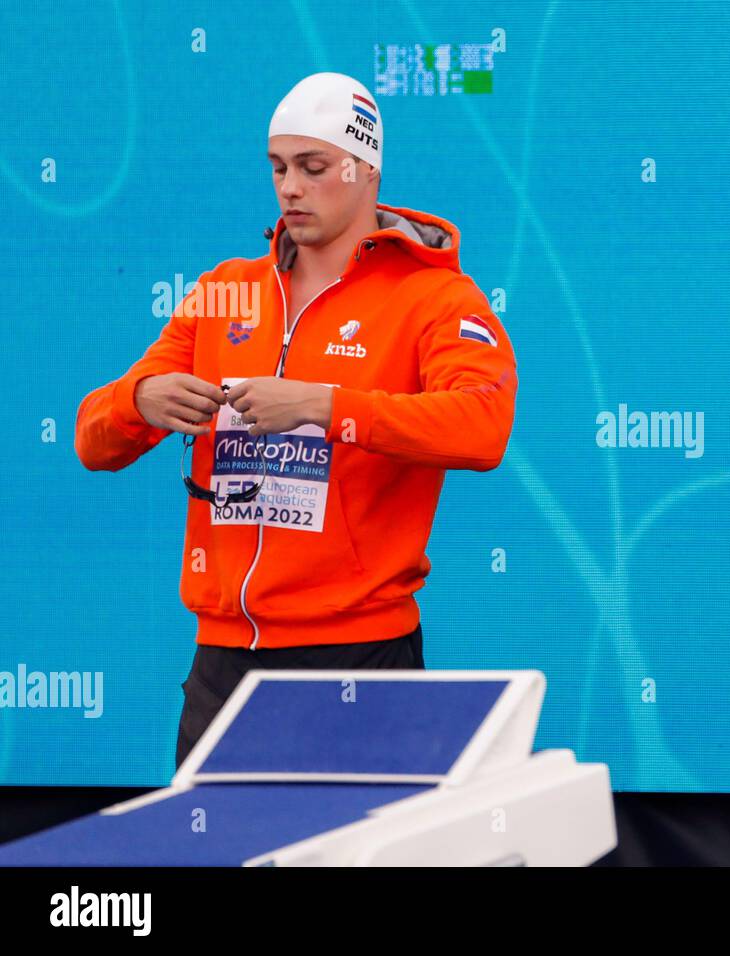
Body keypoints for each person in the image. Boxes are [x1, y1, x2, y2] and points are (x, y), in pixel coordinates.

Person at [74, 72, 518, 768]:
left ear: (365, 167)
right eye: (279, 168)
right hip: (223, 662)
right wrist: (140, 402)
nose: (290, 187)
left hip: (359, 657)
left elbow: (481, 424)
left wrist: (323, 406)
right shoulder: (226, 292)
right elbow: (92, 439)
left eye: (313, 168)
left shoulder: (435, 299)